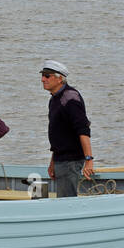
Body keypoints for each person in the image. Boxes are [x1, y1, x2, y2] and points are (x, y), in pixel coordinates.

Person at [40, 59, 94, 198]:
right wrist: (53, 162)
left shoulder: (70, 98)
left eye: (47, 75)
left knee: (66, 201)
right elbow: (59, 134)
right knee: (63, 199)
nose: (42, 79)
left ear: (60, 79)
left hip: (70, 161)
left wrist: (89, 160)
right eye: (42, 75)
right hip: (60, 159)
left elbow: (83, 130)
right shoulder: (54, 100)